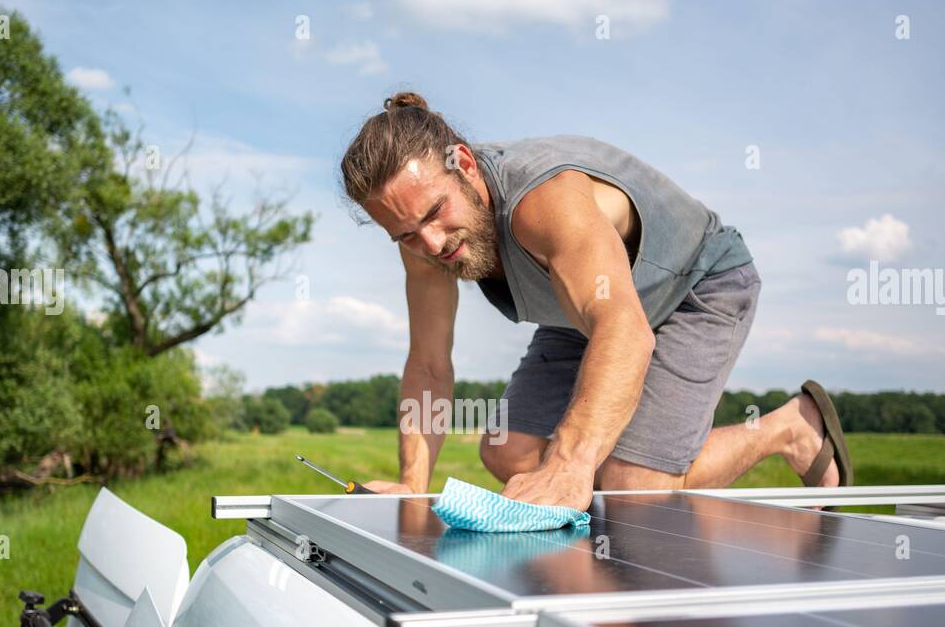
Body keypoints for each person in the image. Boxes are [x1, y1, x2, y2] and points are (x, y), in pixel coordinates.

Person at [339, 91, 853, 510]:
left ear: (466, 165)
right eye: (405, 234)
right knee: (507, 450)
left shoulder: (543, 200)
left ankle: (788, 428)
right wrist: (412, 484)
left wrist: (570, 466)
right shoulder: (423, 241)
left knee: (631, 484)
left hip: (694, 285)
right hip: (582, 307)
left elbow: (624, 329)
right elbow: (428, 364)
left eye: (435, 212)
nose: (431, 244)